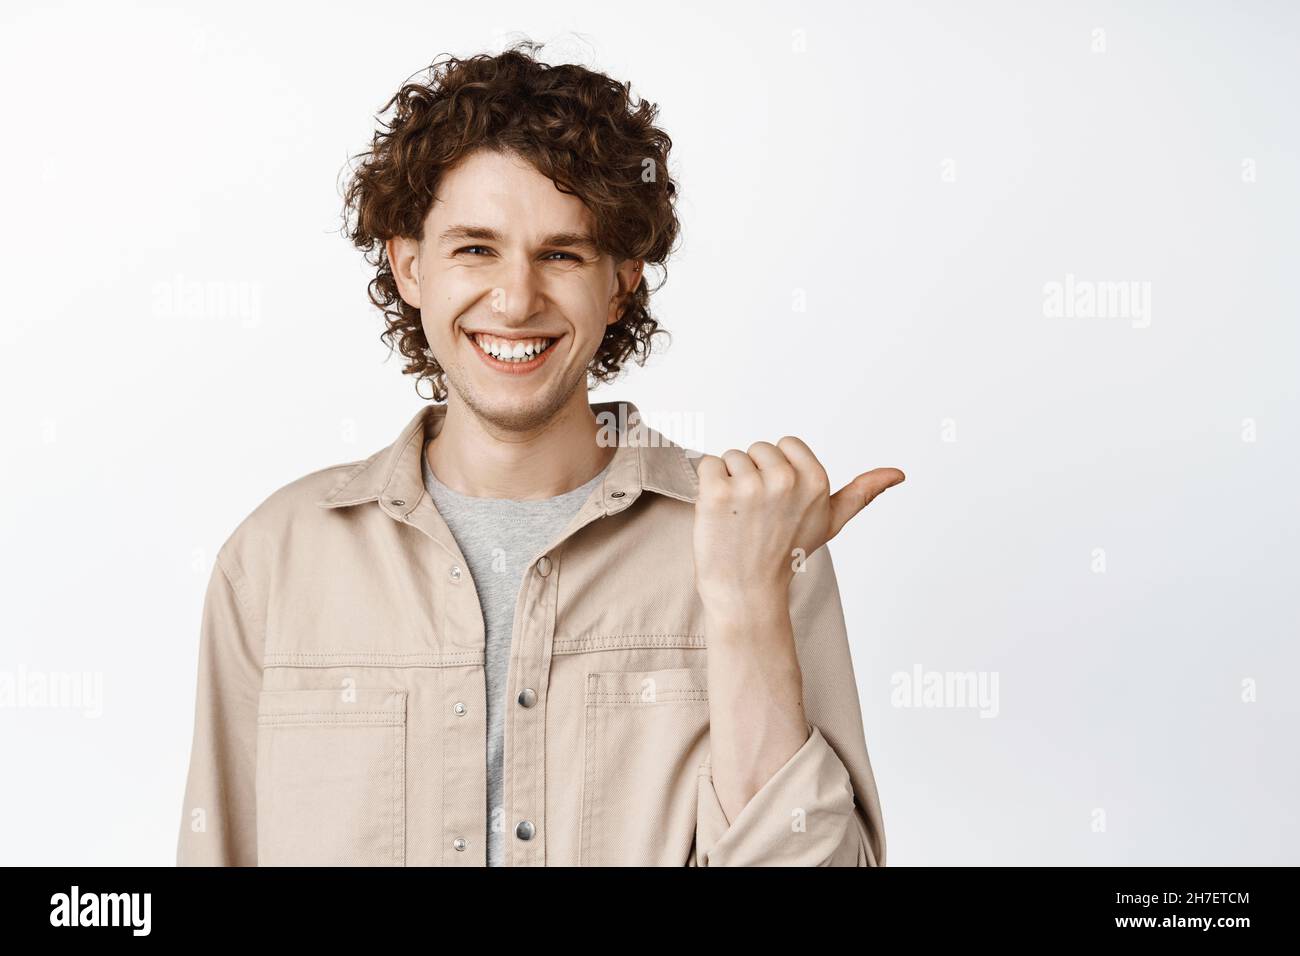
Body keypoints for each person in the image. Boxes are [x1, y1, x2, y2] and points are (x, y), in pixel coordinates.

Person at [177, 40, 903, 867]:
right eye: (475, 249)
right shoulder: (274, 559)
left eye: (561, 253)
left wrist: (744, 607)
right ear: (410, 266)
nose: (516, 299)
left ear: (622, 281)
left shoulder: (754, 538)